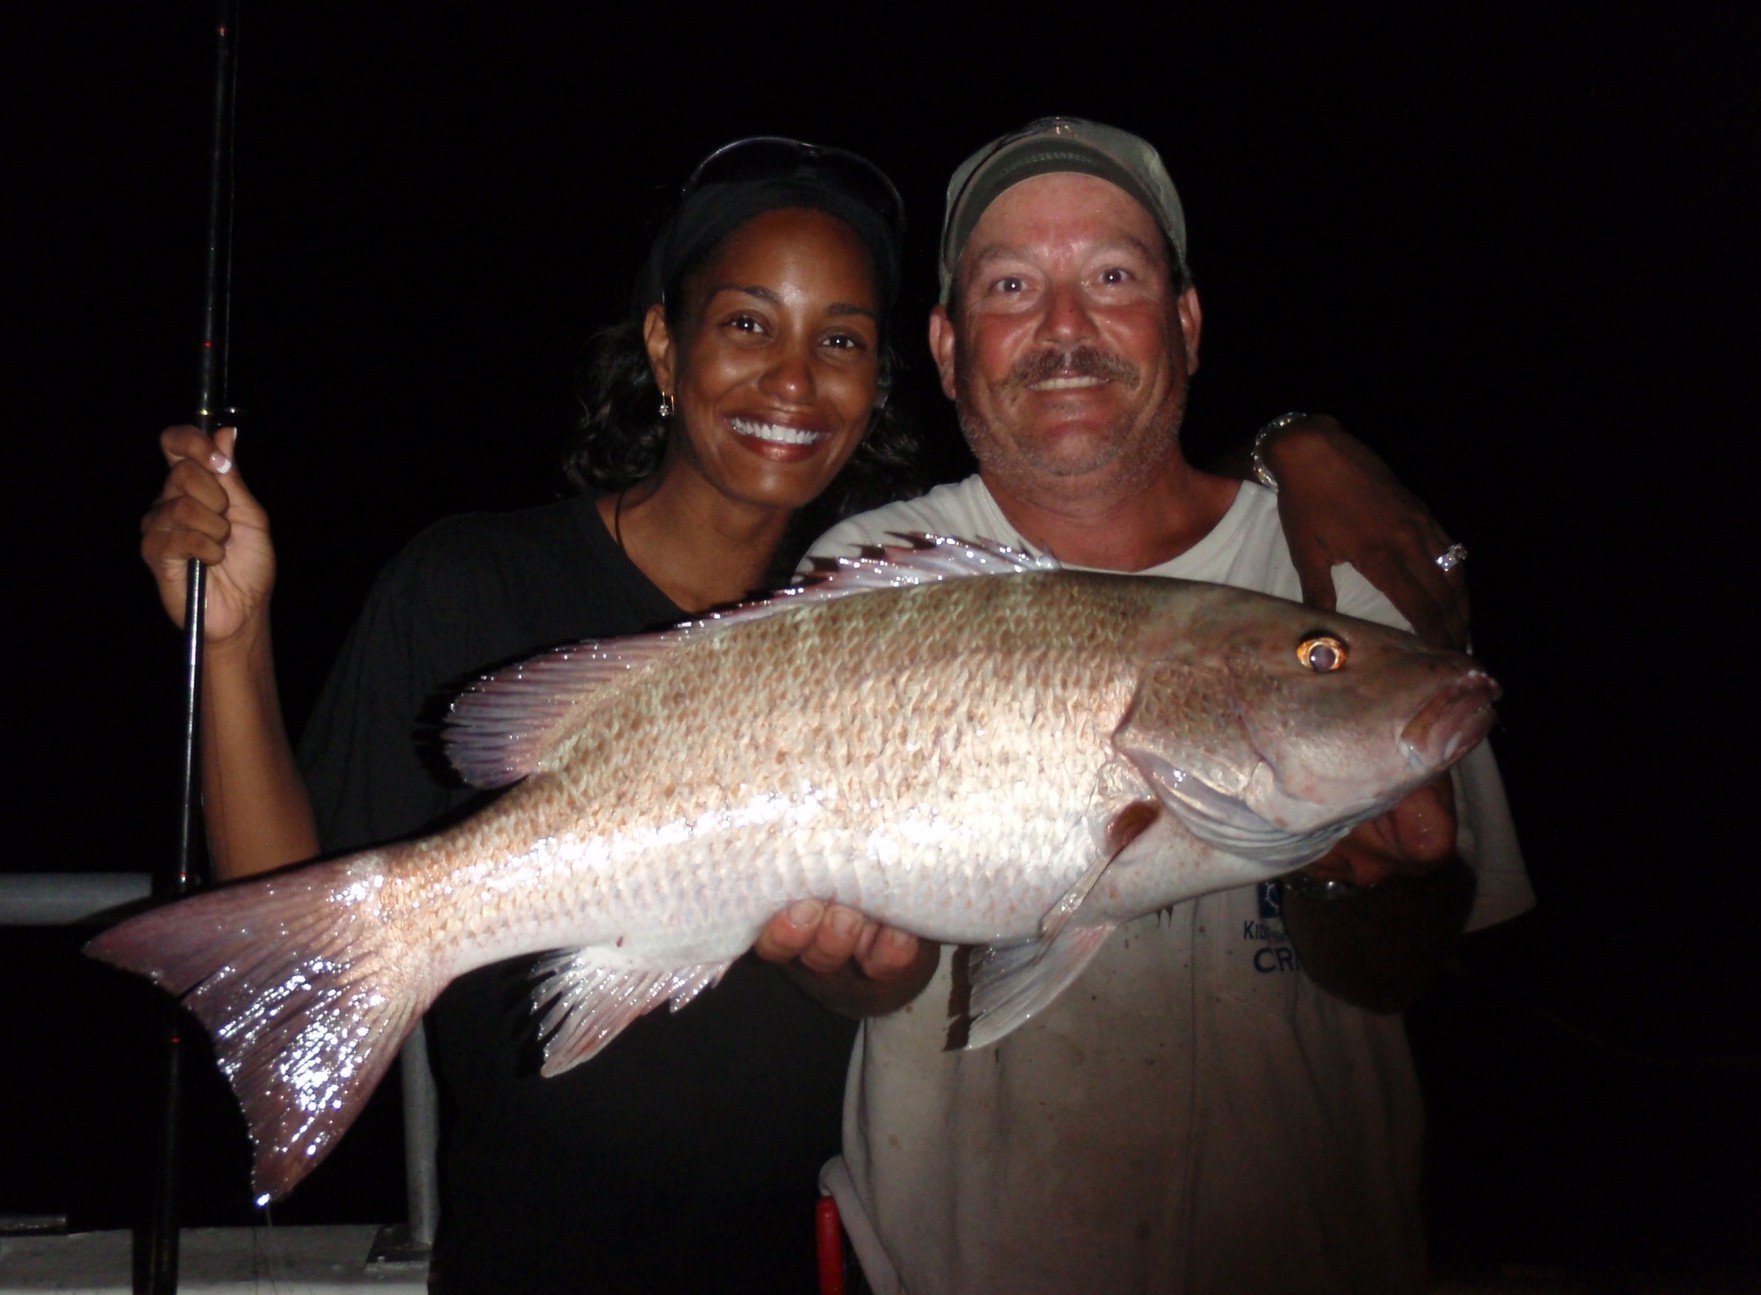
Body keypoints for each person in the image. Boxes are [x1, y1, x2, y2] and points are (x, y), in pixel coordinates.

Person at [142, 133, 1476, 1291]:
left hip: (794, 1253)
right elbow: (300, 896)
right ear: (664, 339)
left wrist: (1297, 440)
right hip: (536, 1252)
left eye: (841, 338)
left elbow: (918, 944)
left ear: (887, 370)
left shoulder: (861, 575)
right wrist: (238, 636)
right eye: (745, 323)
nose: (792, 380)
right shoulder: (494, 576)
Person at [767, 118, 1534, 1295]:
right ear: (948, 341)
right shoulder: (867, 571)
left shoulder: (1344, 579)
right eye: (1013, 284)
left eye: (1113, 277)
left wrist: (1377, 880)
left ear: (1184, 321)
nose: (1064, 326)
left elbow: (1403, 973)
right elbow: (852, 982)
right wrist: (851, 969)